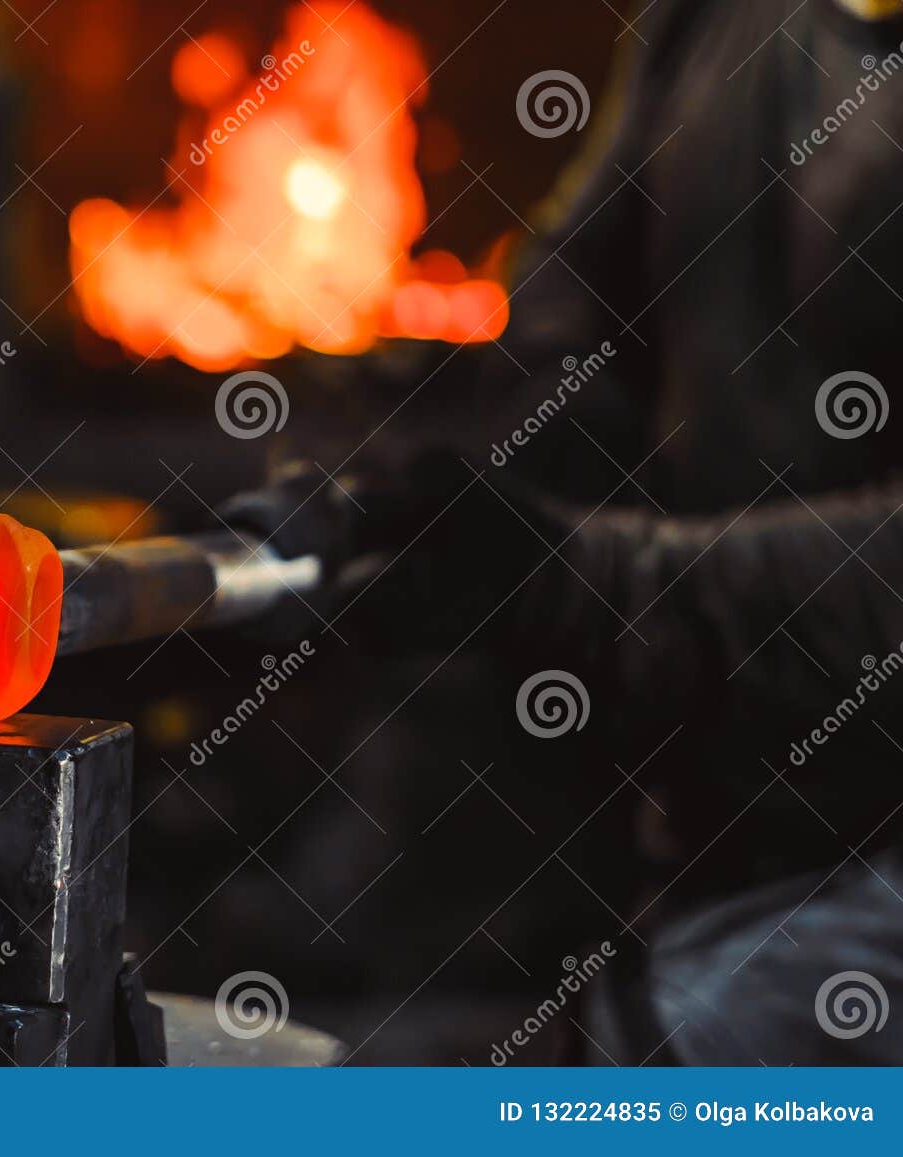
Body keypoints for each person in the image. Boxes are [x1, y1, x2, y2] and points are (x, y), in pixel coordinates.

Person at [223, 0, 903, 1063]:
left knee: (686, 1046)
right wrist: (431, 492)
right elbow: (573, 272)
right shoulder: (719, 19)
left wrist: (578, 574)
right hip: (712, 791)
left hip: (871, 843)